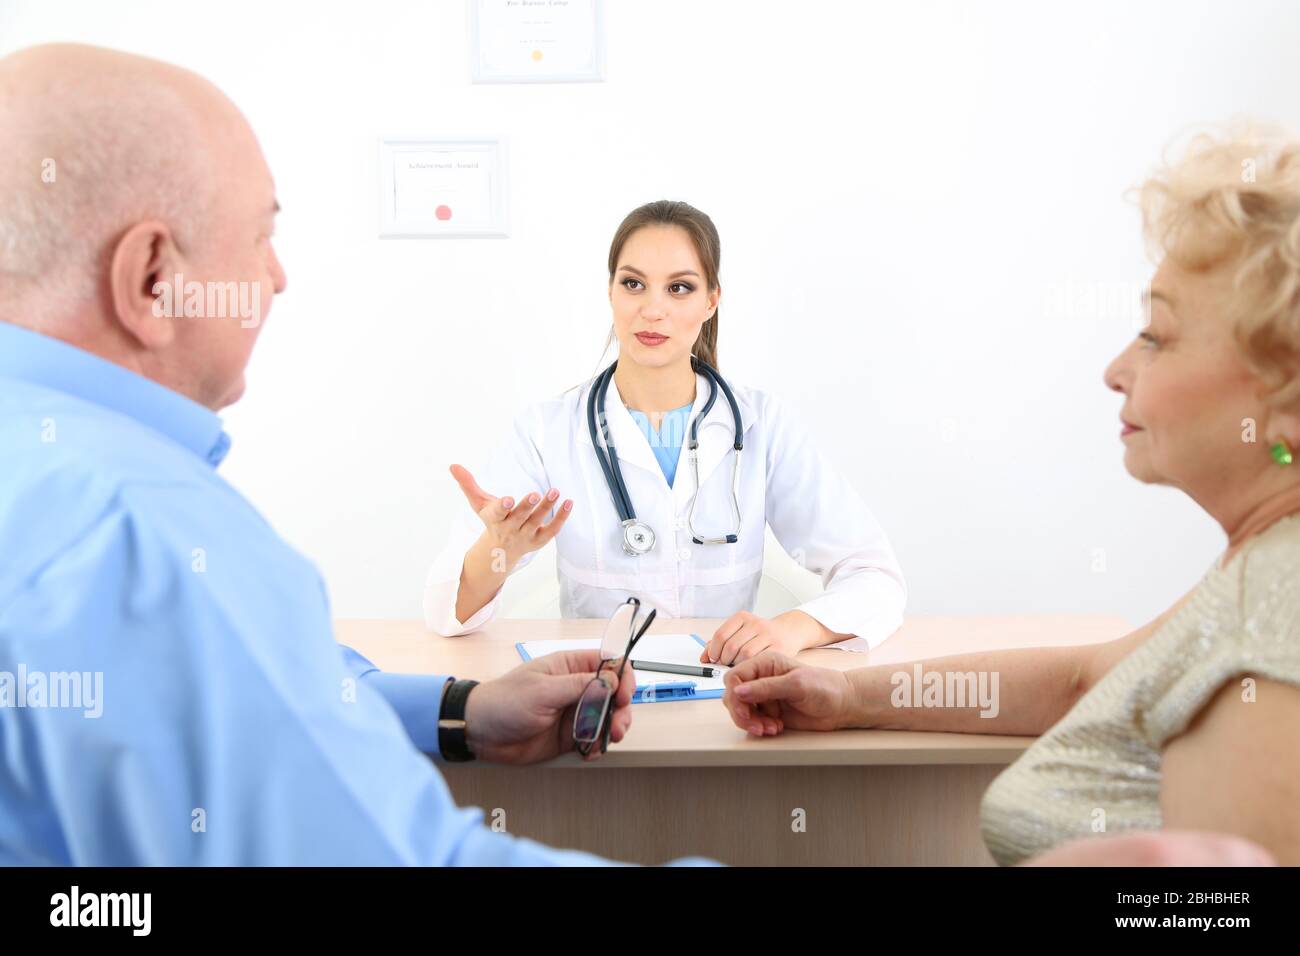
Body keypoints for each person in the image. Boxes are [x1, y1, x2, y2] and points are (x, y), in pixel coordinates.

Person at [0, 42, 707, 866]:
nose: (277, 276)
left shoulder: (52, 475)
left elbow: (268, 694)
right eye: (259, 237)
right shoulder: (140, 534)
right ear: (155, 278)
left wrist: (457, 710)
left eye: (680, 287)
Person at [717, 123, 1300, 866]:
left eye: (1158, 336)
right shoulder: (1261, 571)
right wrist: (847, 698)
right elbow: (1077, 679)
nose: (1117, 370)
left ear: (1287, 401)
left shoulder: (1278, 624)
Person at [425, 200, 907, 664]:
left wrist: (791, 629)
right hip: (596, 697)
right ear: (610, 292)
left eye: (679, 288)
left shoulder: (763, 425)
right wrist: (499, 552)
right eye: (633, 284)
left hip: (726, 697)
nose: (653, 310)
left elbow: (876, 577)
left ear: (711, 300)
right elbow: (449, 613)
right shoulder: (545, 430)